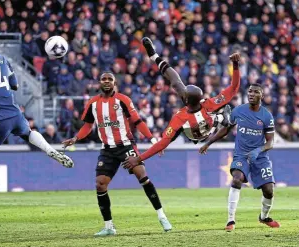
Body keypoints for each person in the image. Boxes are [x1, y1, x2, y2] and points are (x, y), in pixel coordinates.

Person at [0, 34, 74, 227]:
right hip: (14, 112)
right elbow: (14, 85)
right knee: (27, 132)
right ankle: (51, 150)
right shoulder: (2, 59)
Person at [62, 72, 172, 236]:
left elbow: (138, 122)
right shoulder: (93, 103)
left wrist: (152, 140)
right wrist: (76, 138)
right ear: (99, 82)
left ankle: (162, 216)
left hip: (126, 145)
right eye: (103, 79)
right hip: (107, 149)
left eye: (110, 79)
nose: (106, 82)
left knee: (141, 175)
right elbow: (88, 125)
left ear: (114, 83)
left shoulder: (123, 100)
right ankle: (108, 227)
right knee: (100, 184)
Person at [123, 40, 241, 170]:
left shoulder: (179, 118)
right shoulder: (209, 104)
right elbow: (234, 88)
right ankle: (155, 57)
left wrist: (139, 158)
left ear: (185, 101)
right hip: (202, 123)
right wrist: (235, 66)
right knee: (179, 85)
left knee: (178, 85)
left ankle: (154, 57)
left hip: (204, 132)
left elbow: (162, 143)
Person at [198, 83, 280, 231]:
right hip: (241, 155)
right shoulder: (238, 111)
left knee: (269, 190)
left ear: (261, 96)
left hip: (260, 157)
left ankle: (264, 217)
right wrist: (208, 143)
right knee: (237, 179)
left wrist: (258, 150)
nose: (251, 94)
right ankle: (230, 220)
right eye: (250, 92)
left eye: (255, 92)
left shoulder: (266, 116)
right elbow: (225, 130)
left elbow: (270, 142)